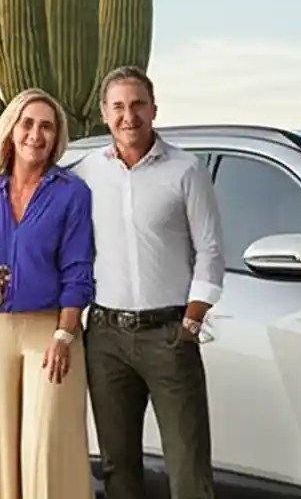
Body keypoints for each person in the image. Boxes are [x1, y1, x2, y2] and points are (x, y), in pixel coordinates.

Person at [73, 65, 225, 499]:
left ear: (154, 109)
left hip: (169, 335)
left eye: (137, 104)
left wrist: (191, 322)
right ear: (104, 113)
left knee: (189, 467)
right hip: (105, 340)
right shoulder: (87, 174)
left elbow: (211, 250)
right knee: (119, 469)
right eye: (118, 106)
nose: (129, 115)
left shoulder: (186, 170)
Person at [0, 88, 96, 499]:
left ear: (56, 138)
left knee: (47, 450)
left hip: (51, 330)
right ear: (11, 130)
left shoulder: (71, 193)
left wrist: (65, 334)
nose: (36, 134)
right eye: (27, 123)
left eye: (46, 126)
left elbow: (78, 271)